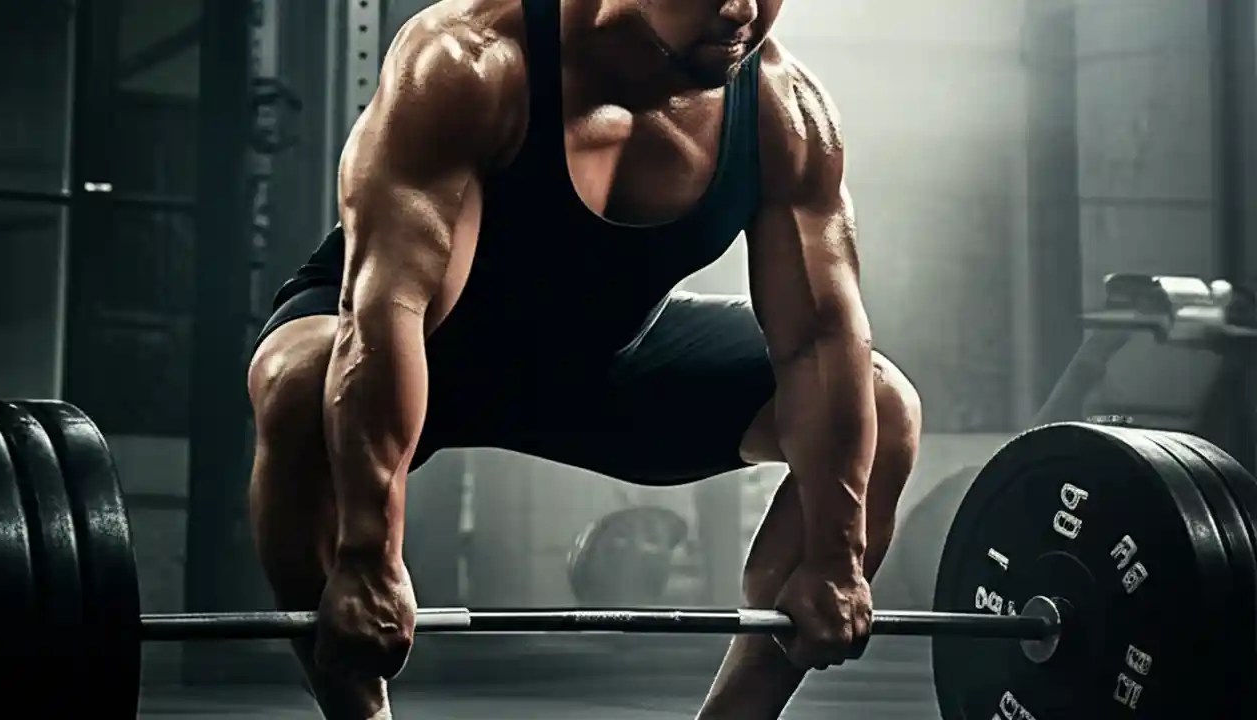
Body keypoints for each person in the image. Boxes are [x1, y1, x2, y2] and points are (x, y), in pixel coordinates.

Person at [246, 0, 923, 717]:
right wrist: (366, 556)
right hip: (428, 355)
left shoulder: (784, 112)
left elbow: (820, 338)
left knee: (884, 407)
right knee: (298, 380)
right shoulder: (470, 61)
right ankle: (359, 711)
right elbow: (390, 313)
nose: (743, 10)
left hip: (605, 361)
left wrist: (835, 556)